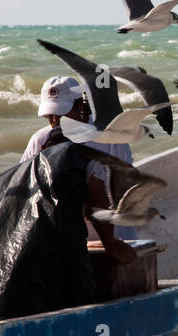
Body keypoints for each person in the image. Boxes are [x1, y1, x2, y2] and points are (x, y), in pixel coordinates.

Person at [24, 75, 137, 265]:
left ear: (80, 106)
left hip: (113, 228)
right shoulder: (40, 140)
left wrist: (110, 243)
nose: (54, 121)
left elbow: (100, 191)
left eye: (61, 114)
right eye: (49, 115)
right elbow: (25, 187)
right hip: (68, 233)